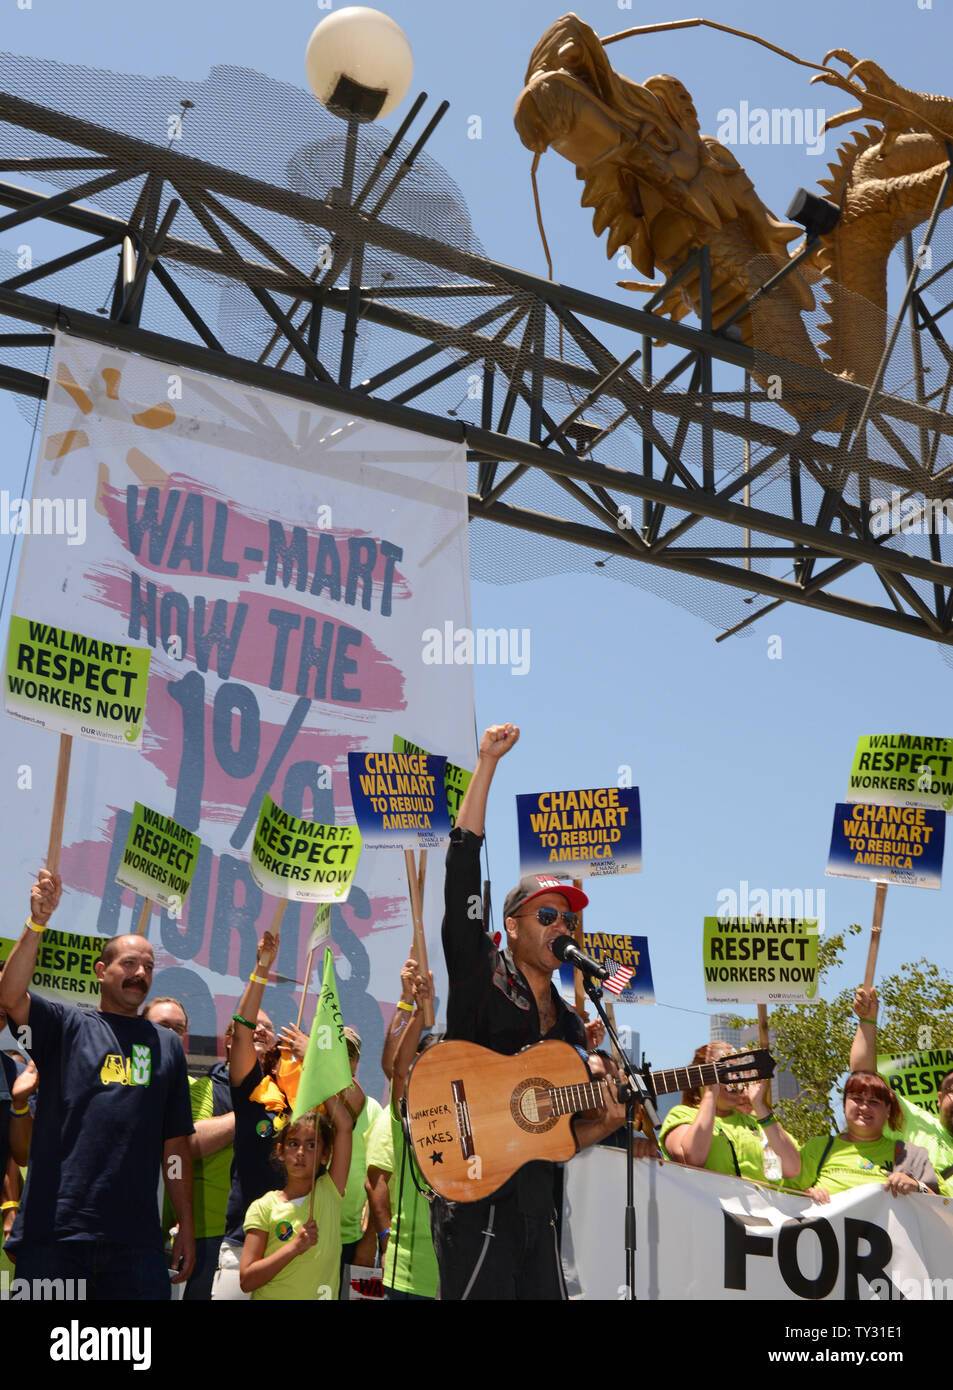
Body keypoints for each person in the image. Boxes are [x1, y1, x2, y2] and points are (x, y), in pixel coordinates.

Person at [433, 722, 627, 1301]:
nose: (560, 928)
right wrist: (487, 764)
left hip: (539, 1218)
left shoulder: (571, 1027)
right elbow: (461, 867)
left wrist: (609, 1119)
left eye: (566, 920)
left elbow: (559, 1134)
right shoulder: (479, 972)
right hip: (474, 1203)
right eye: (547, 917)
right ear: (511, 927)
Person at [0, 869, 195, 1298]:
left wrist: (184, 1222)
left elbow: (176, 1147)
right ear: (101, 971)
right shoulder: (65, 1026)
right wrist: (37, 923)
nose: (140, 973)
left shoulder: (168, 1046)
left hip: (136, 1246)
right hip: (56, 1236)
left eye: (148, 966)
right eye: (129, 963)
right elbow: (11, 997)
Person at [212, 928, 290, 1301]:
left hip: (294, 1244)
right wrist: (261, 969)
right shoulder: (249, 1087)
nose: (260, 1030)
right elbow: (242, 1032)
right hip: (243, 1243)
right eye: (255, 1026)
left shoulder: (296, 1089)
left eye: (270, 1029)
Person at [143, 995, 236, 1300]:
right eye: (162, 1026)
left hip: (155, 1237)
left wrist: (184, 1223)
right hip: (106, 1228)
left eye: (178, 1029)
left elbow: (178, 1157)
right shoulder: (116, 1077)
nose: (170, 1035)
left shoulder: (186, 1090)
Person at [367, 955, 440, 1300]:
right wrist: (418, 1018)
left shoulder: (470, 1121)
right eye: (427, 1067)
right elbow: (396, 1070)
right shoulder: (405, 1118)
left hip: (452, 1268)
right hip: (404, 1274)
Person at [239, 1093, 353, 1300]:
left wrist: (324, 1085)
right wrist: (294, 1248)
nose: (301, 1152)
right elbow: (247, 1280)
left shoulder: (330, 1191)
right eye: (293, 1144)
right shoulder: (263, 1207)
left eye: (311, 1145)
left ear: (325, 1155)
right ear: (280, 1151)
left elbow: (344, 1125)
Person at [849, 985, 953, 1197]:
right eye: (952, 1090)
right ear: (939, 1099)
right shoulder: (915, 1122)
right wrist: (867, 1021)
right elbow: (864, 1076)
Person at [660, 1041, 800, 1182]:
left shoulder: (755, 1122)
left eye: (737, 1072)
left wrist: (759, 1105)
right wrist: (710, 1094)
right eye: (726, 1071)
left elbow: (792, 1168)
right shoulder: (682, 1115)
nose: (735, 1079)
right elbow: (692, 1159)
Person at [791, 1070, 940, 1201]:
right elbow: (786, 1197)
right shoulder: (818, 1148)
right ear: (844, 1105)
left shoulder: (912, 1156)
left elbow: (944, 1209)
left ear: (888, 1110)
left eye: (874, 1102)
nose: (864, 1107)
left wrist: (917, 1187)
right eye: (857, 1099)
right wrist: (808, 1197)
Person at [337, 1025, 384, 1289]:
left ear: (357, 1062)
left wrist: (370, 1240)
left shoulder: (375, 1110)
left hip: (357, 1240)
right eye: (336, 1051)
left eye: (350, 1054)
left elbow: (379, 1182)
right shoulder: (310, 1101)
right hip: (311, 1237)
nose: (344, 1059)